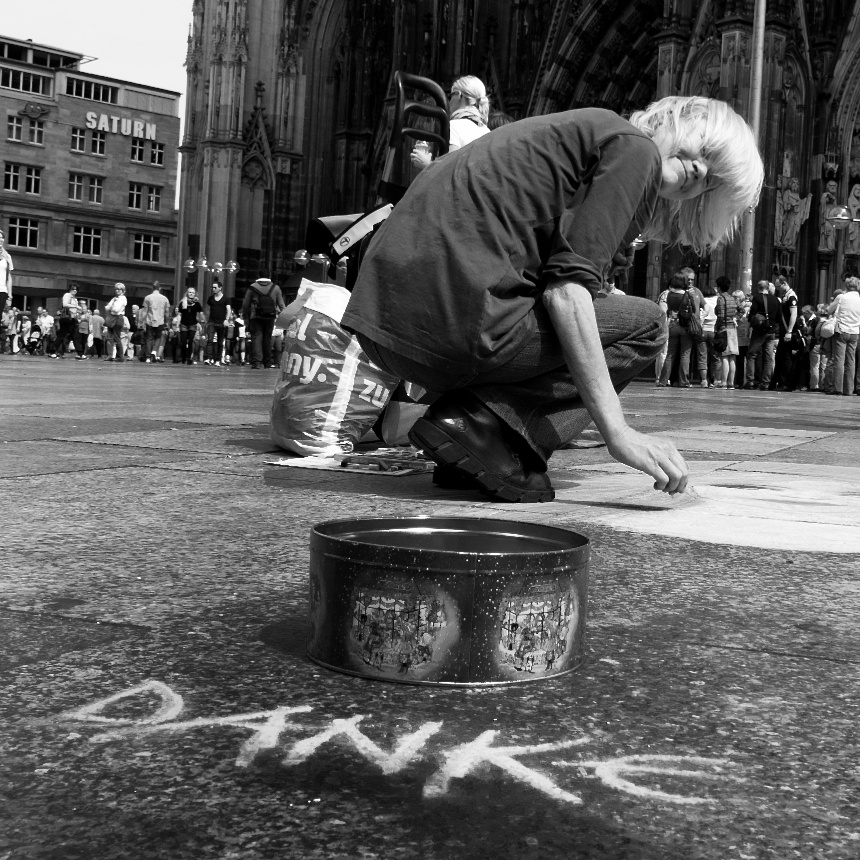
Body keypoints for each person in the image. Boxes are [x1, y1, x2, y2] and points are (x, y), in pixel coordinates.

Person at [342, 95, 763, 502]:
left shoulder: (582, 134)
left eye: (712, 179)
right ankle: (486, 431)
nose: (699, 169)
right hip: (451, 327)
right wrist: (618, 432)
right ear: (676, 120)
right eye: (703, 148)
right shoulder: (636, 151)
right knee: (647, 324)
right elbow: (566, 295)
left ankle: (469, 442)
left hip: (382, 326)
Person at [410, 75, 491, 171]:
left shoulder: (454, 127)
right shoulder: (486, 131)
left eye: (450, 96)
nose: (449, 101)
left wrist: (426, 164)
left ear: (459, 95)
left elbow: (449, 174)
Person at [656, 272, 696, 387]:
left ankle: (663, 380)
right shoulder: (687, 294)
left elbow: (665, 310)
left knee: (670, 354)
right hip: (685, 326)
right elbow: (693, 309)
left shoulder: (668, 294)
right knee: (685, 353)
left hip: (672, 324)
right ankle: (684, 381)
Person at [743, 280, 781, 390]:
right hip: (771, 331)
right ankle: (766, 382)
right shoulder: (775, 299)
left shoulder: (757, 298)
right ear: (768, 288)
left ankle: (750, 381)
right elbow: (779, 316)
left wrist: (751, 321)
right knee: (768, 357)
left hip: (760, 331)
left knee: (751, 354)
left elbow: (752, 314)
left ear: (758, 287)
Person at [826, 276, 860, 395]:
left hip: (842, 330)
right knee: (851, 361)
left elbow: (830, 310)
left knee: (839, 360)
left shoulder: (842, 297)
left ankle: (838, 388)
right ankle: (849, 390)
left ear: (847, 286)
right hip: (855, 332)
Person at [242, 276, 285, 369]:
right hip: (270, 316)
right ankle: (267, 362)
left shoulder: (252, 287)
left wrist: (245, 315)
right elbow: (281, 304)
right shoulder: (275, 288)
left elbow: (245, 303)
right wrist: (285, 315)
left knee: (257, 337)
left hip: (255, 316)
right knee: (267, 338)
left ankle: (257, 362)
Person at [713, 277, 740, 388]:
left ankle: (723, 382)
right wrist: (735, 319)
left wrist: (717, 327)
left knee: (724, 356)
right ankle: (731, 382)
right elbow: (740, 310)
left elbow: (720, 315)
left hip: (724, 329)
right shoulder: (732, 298)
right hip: (733, 329)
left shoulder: (721, 299)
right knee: (732, 357)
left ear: (719, 287)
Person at [773, 276, 799, 390]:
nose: (777, 289)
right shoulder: (785, 296)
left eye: (778, 286)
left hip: (787, 331)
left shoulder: (791, 296)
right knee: (779, 357)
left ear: (784, 284)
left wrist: (789, 331)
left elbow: (793, 314)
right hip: (784, 330)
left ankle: (787, 383)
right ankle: (776, 382)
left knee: (786, 357)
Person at [141, 281, 171, 363]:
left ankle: (147, 357)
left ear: (152, 288)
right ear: (160, 288)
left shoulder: (147, 298)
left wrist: (141, 321)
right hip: (160, 321)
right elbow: (167, 312)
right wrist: (167, 322)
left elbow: (145, 311)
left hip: (149, 321)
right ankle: (154, 351)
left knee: (149, 338)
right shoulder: (165, 299)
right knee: (158, 338)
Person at [204, 280, 230, 366]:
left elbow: (228, 310)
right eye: (212, 287)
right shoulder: (211, 298)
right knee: (210, 340)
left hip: (221, 323)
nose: (213, 289)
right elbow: (208, 309)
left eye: (215, 287)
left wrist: (226, 319)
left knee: (220, 342)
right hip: (211, 322)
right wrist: (206, 320)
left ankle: (218, 359)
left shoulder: (226, 298)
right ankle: (208, 358)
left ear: (220, 288)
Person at [177, 287, 205, 365]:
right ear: (187, 293)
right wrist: (177, 325)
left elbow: (201, 313)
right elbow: (179, 314)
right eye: (190, 292)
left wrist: (203, 321)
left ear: (195, 294)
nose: (191, 294)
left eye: (193, 292)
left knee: (190, 341)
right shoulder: (183, 302)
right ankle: (183, 357)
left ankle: (189, 358)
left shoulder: (197, 303)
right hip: (183, 324)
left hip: (193, 324)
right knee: (183, 341)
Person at [51, 284, 80, 359]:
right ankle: (52, 351)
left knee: (73, 336)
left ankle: (80, 353)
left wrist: (77, 312)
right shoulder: (67, 295)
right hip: (66, 319)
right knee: (63, 335)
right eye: (73, 289)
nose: (75, 291)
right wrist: (76, 306)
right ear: (70, 289)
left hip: (72, 318)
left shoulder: (74, 298)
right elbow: (65, 304)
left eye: (76, 289)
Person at [104, 283, 128, 362]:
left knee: (116, 337)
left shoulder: (123, 298)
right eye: (116, 289)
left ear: (123, 290)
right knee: (110, 338)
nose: (117, 290)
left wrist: (111, 306)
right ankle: (111, 355)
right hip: (112, 317)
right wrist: (111, 306)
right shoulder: (114, 298)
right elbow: (106, 308)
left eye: (119, 289)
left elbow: (116, 309)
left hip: (118, 318)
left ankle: (120, 356)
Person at [0, 230, 12, 322]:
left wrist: (10, 296)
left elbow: (9, 278)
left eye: (2, 237)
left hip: (2, 290)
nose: (1, 239)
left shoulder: (7, 256)